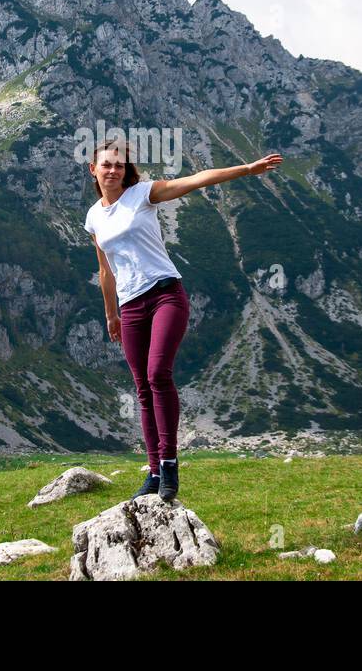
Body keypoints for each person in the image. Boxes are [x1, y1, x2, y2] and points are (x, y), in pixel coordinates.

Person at [84, 139, 282, 502]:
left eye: (119, 165)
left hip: (164, 295)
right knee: (142, 388)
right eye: (106, 165)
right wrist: (111, 314)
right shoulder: (94, 216)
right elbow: (104, 270)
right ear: (92, 170)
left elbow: (197, 179)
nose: (113, 171)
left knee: (158, 374)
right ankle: (154, 471)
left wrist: (247, 169)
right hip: (129, 307)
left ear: (127, 171)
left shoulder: (144, 194)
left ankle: (170, 462)